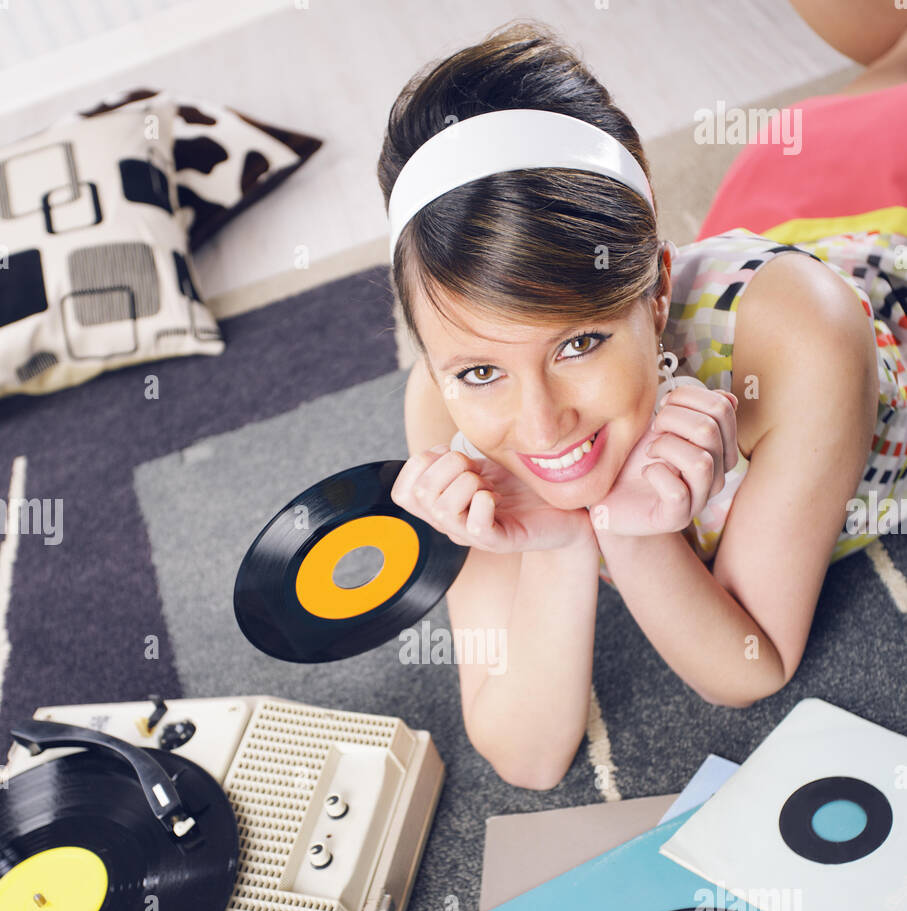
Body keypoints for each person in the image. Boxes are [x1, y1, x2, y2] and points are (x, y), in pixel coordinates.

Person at [378, 19, 906, 790]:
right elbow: (525, 754)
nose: (538, 425)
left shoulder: (799, 343)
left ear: (657, 291)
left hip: (846, 289)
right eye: (481, 371)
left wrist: (632, 538)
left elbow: (750, 666)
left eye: (577, 344)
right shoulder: (440, 406)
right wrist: (559, 546)